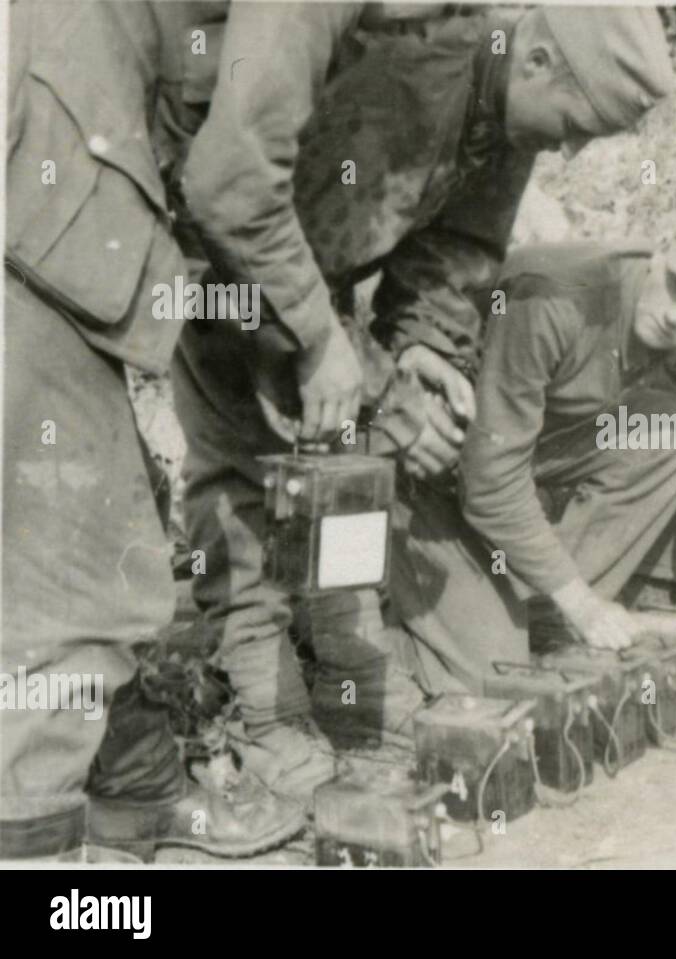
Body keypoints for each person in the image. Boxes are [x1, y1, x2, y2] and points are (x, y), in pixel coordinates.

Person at [174, 3, 674, 800]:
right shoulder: (402, 56)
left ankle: (350, 679)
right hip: (226, 262)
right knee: (242, 478)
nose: (572, 147)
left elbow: (460, 248)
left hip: (307, 278)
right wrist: (351, 367)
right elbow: (243, 206)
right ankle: (263, 717)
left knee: (345, 477)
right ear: (539, 58)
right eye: (577, 123)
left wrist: (424, 351)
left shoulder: (511, 112)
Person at [2, 0, 302, 859]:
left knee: (101, 515)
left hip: (66, 183)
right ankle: (45, 864)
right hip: (45, 190)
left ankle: (132, 784)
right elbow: (230, 169)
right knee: (61, 576)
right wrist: (312, 339)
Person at [391, 195, 676, 693]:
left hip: (517, 463)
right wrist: (578, 601)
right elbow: (488, 480)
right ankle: (367, 615)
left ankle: (531, 601)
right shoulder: (556, 297)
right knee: (496, 673)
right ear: (664, 250)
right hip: (425, 474)